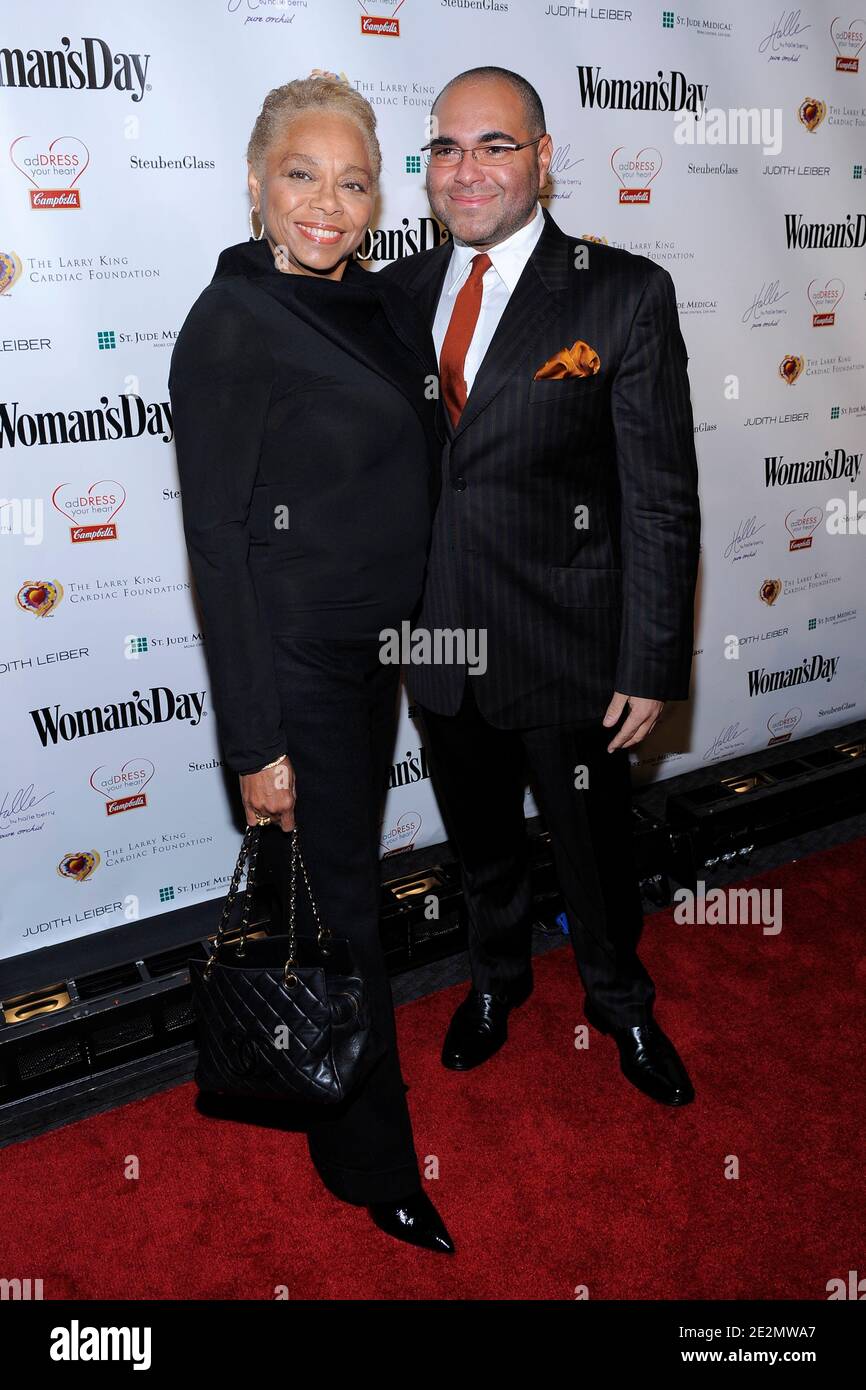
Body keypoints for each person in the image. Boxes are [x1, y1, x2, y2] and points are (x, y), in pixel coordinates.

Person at [168, 75, 454, 1253]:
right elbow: (217, 547)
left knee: (340, 895)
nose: (326, 204)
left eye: (351, 180)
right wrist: (256, 745)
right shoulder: (230, 324)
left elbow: (478, 264)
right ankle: (371, 1159)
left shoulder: (376, 306)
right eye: (301, 176)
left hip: (388, 643)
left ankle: (324, 1088)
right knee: (342, 907)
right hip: (299, 665)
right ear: (253, 183)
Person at [379, 67, 701, 1103]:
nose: (465, 169)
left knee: (592, 850)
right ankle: (494, 978)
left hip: (568, 638)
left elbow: (657, 496)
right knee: (477, 841)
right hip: (436, 638)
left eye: (493, 145)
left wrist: (649, 661)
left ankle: (619, 1001)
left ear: (543, 158)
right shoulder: (393, 294)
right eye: (444, 147)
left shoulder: (621, 293)